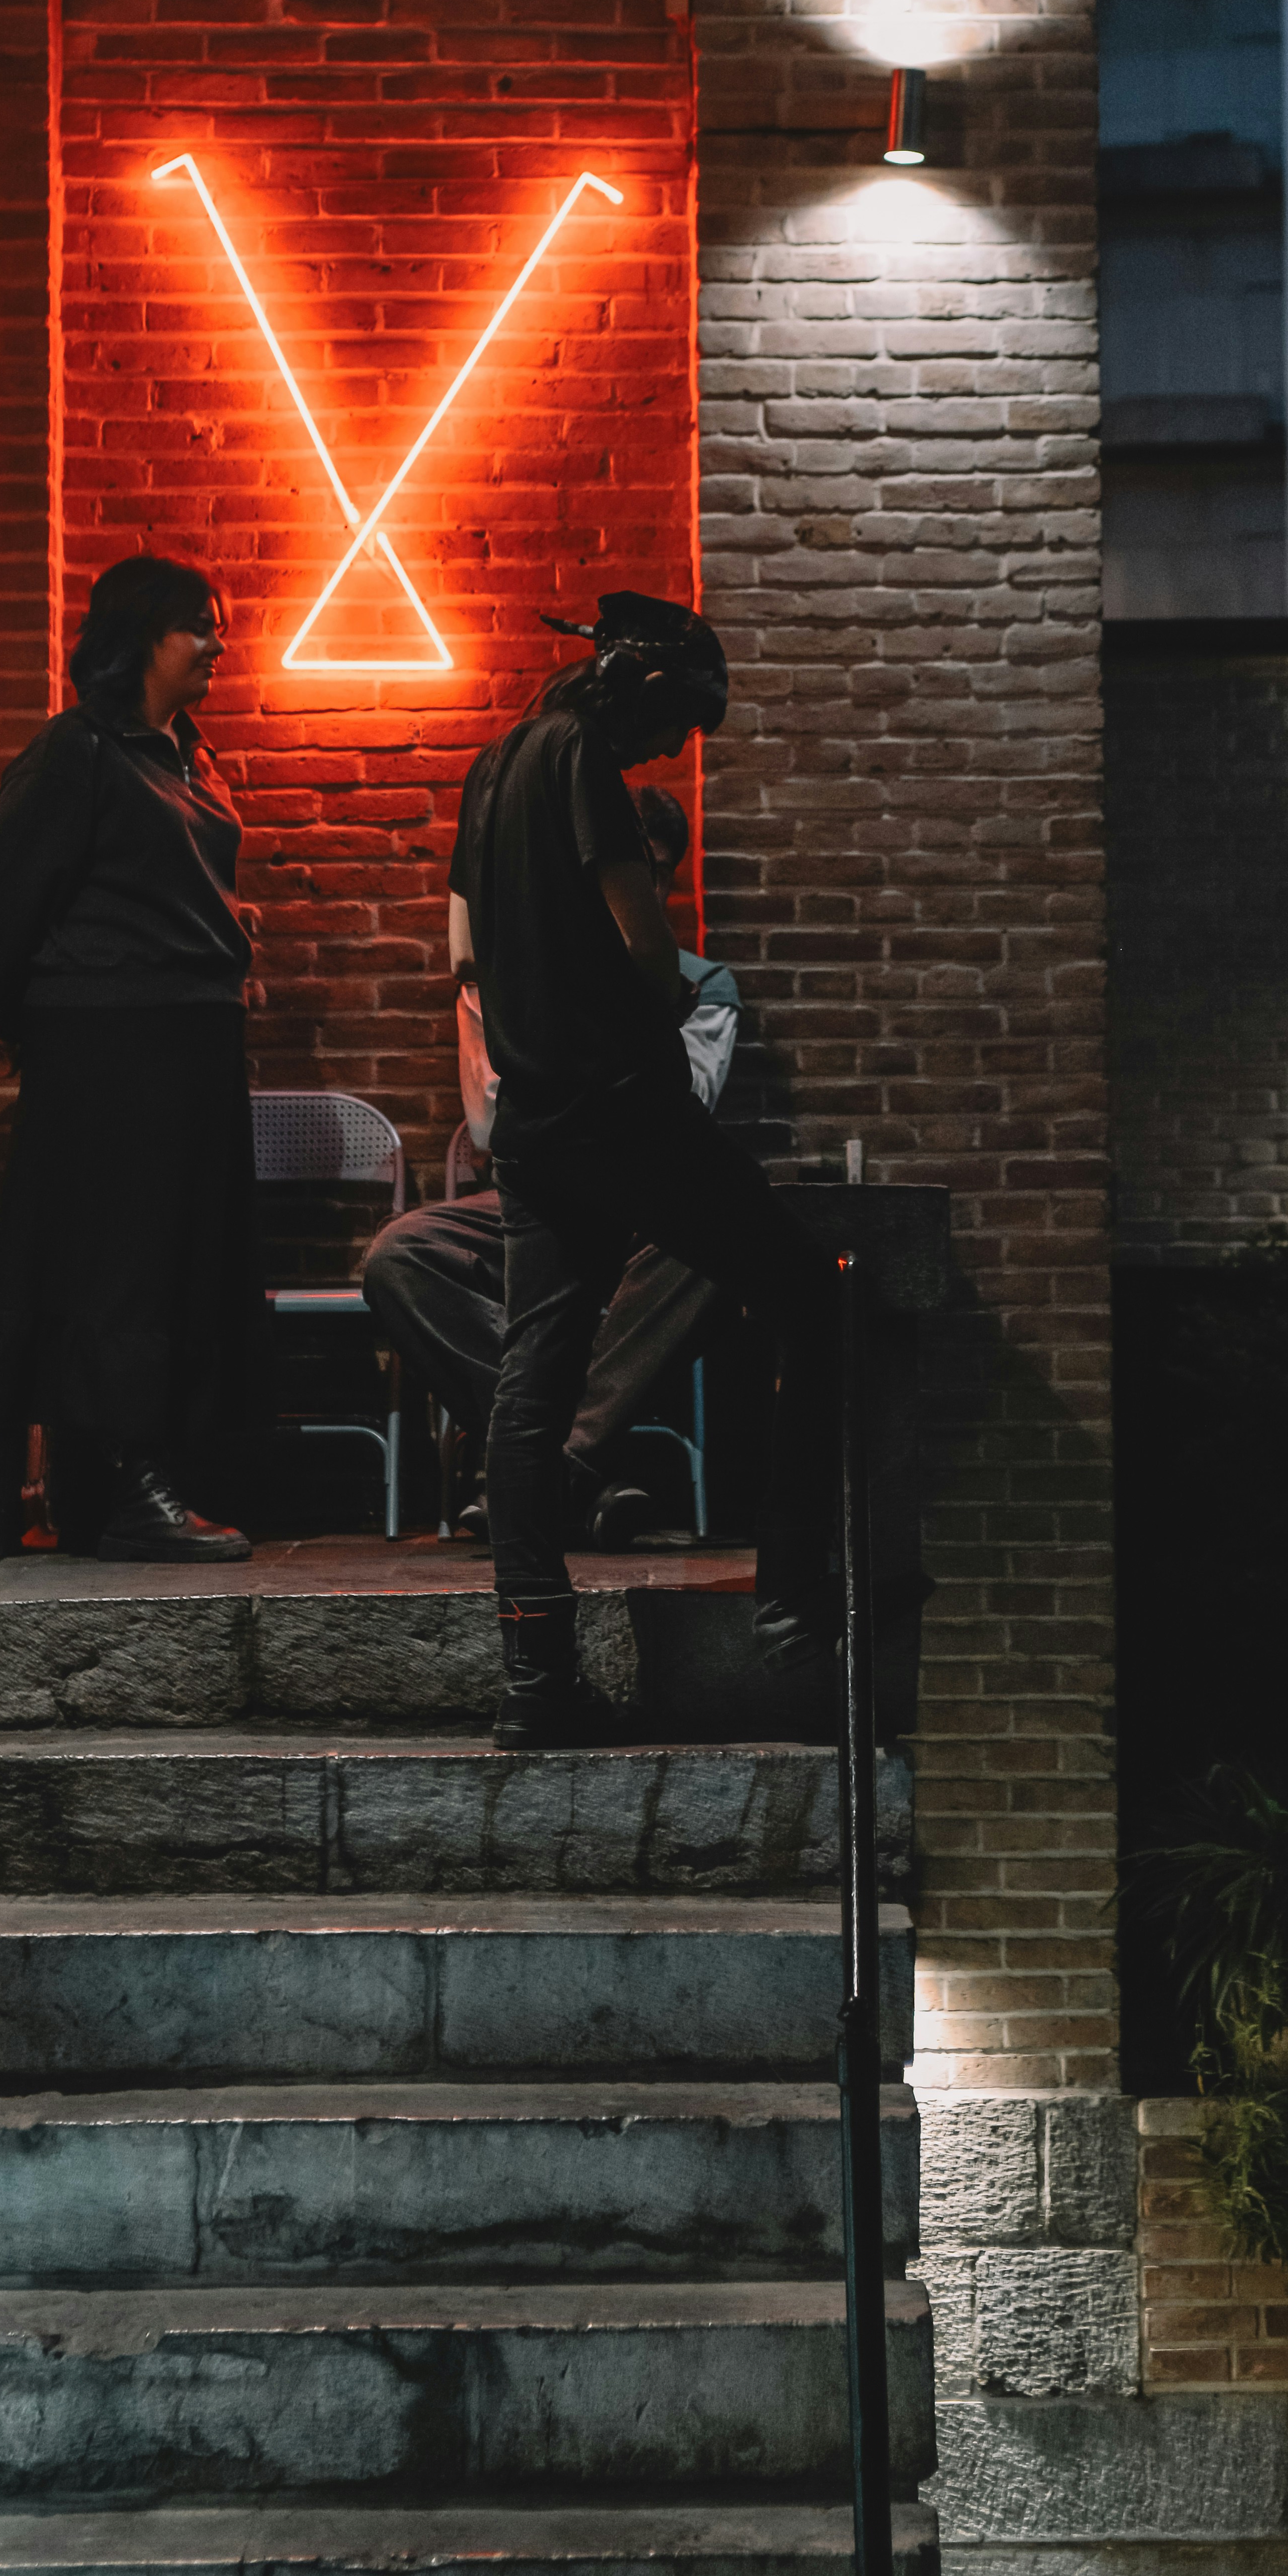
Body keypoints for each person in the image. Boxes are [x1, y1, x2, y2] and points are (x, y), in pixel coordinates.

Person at [449, 589, 845, 1747]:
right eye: (677, 722)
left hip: (534, 1129)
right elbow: (641, 937)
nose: (672, 750)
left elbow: (469, 946)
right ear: (642, 688)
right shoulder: (581, 758)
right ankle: (794, 1591)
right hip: (622, 1112)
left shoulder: (493, 767)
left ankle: (535, 1679)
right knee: (811, 1294)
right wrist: (664, 993)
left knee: (529, 1397)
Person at [0, 553, 262, 1564]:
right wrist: (16, 1014)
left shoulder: (188, 760)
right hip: (114, 1050)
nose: (216, 644)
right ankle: (126, 1489)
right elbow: (6, 896)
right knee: (122, 1268)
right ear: (139, 638)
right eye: (196, 626)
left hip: (188, 1049)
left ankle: (123, 1486)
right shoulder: (78, 751)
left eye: (216, 626)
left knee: (180, 1263)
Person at [360, 784, 740, 1550]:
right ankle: (585, 1467)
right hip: (534, 1199)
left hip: (639, 1210)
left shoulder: (701, 984)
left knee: (725, 1234)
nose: (631, 890)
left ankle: (541, 1470)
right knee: (400, 1256)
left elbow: (681, 1113)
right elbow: (490, 1121)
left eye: (650, 872)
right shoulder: (506, 973)